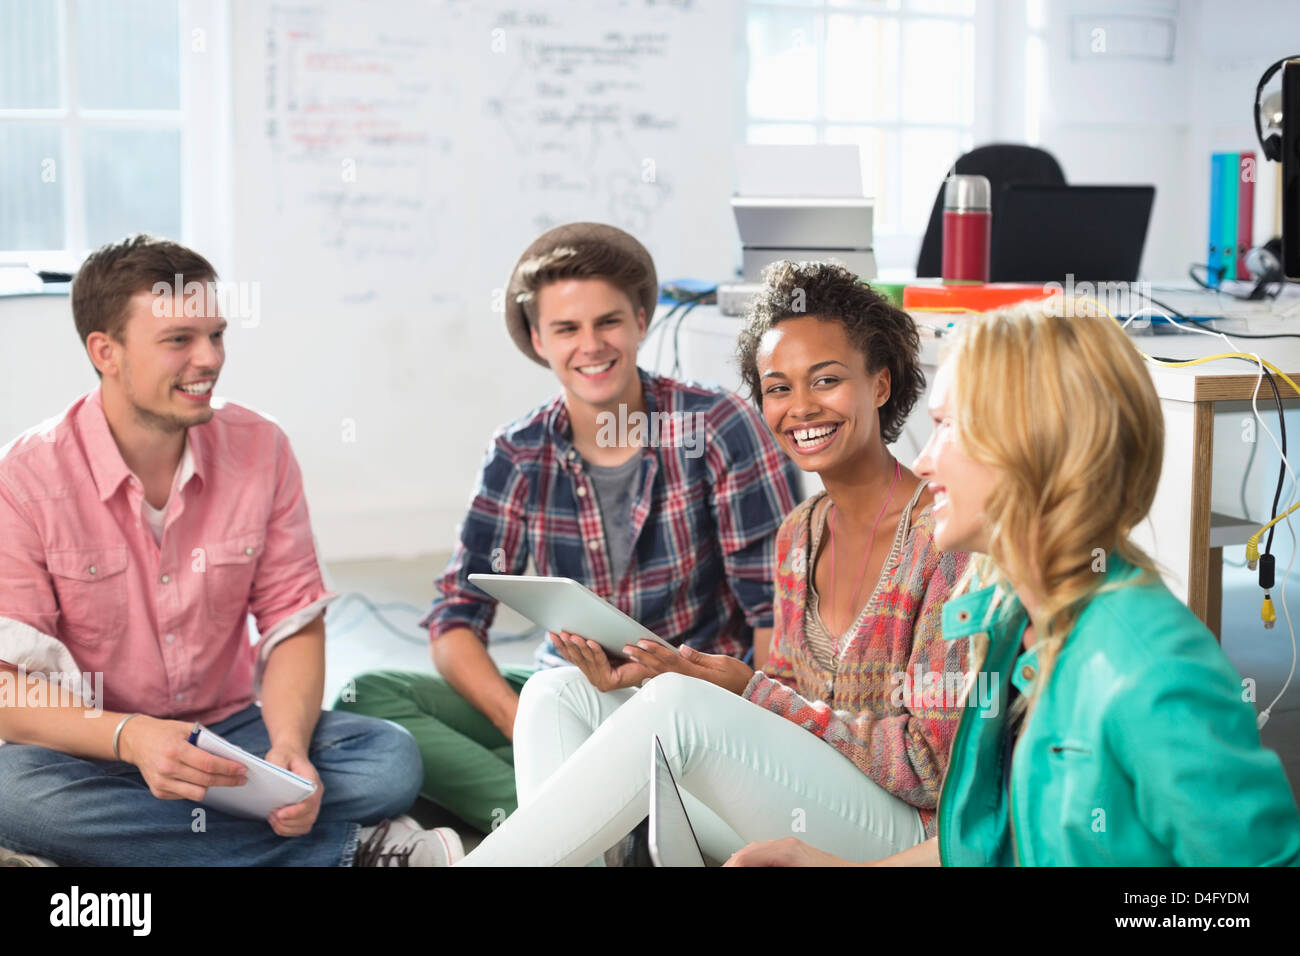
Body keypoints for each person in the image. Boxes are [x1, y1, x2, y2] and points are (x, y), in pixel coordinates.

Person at [728, 296, 1300, 867]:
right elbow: (990, 843)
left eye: (949, 427)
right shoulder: (1005, 622)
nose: (924, 462)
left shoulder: (1150, 667)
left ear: (1035, 445)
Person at [455, 260, 969, 865]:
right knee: (557, 692)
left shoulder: (947, 537)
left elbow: (929, 767)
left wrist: (743, 691)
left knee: (681, 711)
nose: (800, 407)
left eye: (825, 380)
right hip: (804, 803)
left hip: (905, 833)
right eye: (778, 388)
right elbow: (786, 696)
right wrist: (672, 671)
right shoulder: (799, 534)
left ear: (880, 386)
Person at [0, 235, 458, 866]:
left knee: (389, 762)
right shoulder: (26, 476)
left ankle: (138, 842)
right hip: (96, 743)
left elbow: (293, 618)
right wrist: (131, 739)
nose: (209, 358)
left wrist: (289, 747)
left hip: (227, 732)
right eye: (179, 340)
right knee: (14, 795)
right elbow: (8, 691)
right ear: (105, 352)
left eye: (216, 335)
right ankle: (355, 853)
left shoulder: (261, 447)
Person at [334, 223, 802, 835]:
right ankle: (614, 818)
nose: (591, 346)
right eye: (566, 329)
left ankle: (578, 816)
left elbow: (775, 614)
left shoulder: (715, 426)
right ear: (537, 339)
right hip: (564, 691)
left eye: (607, 322)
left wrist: (753, 732)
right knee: (369, 693)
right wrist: (522, 726)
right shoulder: (520, 450)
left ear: (640, 320)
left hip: (687, 698)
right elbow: (454, 624)